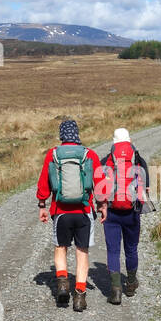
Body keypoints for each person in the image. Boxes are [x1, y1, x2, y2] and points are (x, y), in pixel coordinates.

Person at [37, 119, 103, 311]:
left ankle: (63, 284)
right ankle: (80, 295)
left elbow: (44, 182)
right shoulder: (89, 154)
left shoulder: (53, 154)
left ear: (62, 135)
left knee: (60, 247)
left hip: (61, 212)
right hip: (84, 211)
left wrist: (42, 204)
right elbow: (99, 184)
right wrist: (103, 206)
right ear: (77, 134)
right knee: (82, 252)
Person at [94, 127, 149, 305]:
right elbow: (145, 191)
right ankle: (131, 284)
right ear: (130, 140)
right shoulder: (139, 161)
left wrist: (102, 207)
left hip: (111, 213)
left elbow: (100, 191)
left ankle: (116, 291)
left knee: (113, 251)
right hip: (132, 213)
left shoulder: (106, 161)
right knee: (131, 249)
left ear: (113, 142)